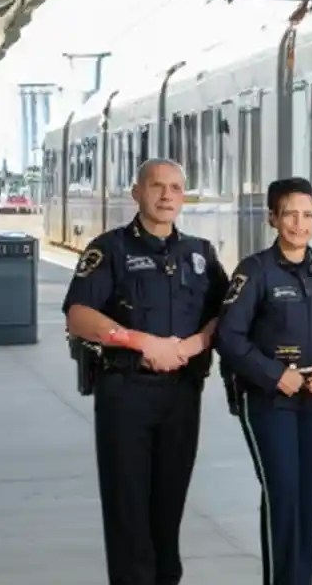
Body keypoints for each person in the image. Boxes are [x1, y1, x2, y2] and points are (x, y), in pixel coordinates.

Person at [62, 158, 229, 585]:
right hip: (125, 392)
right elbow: (79, 316)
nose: (167, 195)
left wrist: (193, 345)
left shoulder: (200, 254)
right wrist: (141, 342)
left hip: (181, 395)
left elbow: (228, 315)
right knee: (128, 509)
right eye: (157, 186)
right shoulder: (111, 249)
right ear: (137, 192)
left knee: (169, 508)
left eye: (176, 187)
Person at [215, 177, 312, 585]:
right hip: (268, 400)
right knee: (283, 496)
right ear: (273, 219)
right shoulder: (255, 271)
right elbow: (229, 337)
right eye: (290, 214)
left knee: (306, 498)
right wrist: (277, 375)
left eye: (308, 214)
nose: (300, 223)